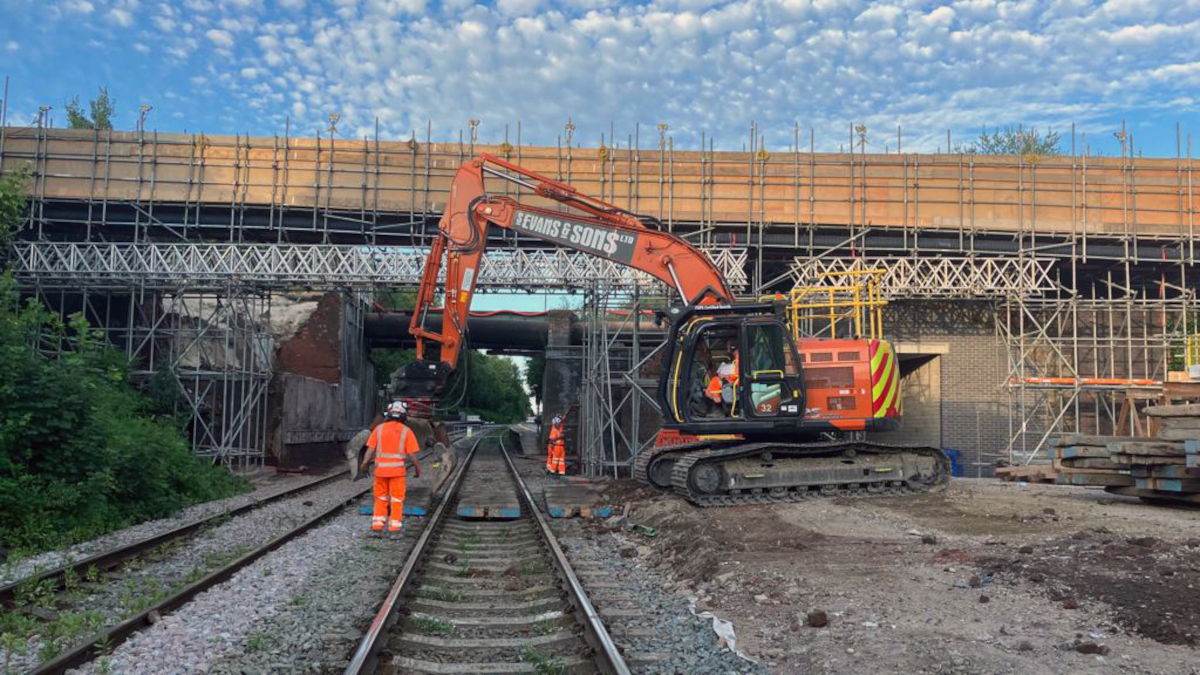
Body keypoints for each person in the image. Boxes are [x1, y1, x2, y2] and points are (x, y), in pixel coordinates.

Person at [360, 400, 421, 538]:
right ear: (404, 416)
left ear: (389, 414)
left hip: (381, 472)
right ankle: (394, 531)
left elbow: (370, 450)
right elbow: (412, 455)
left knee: (380, 499)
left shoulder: (379, 429)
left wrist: (364, 463)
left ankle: (377, 529)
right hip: (397, 473)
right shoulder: (407, 432)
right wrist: (417, 468)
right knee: (396, 500)